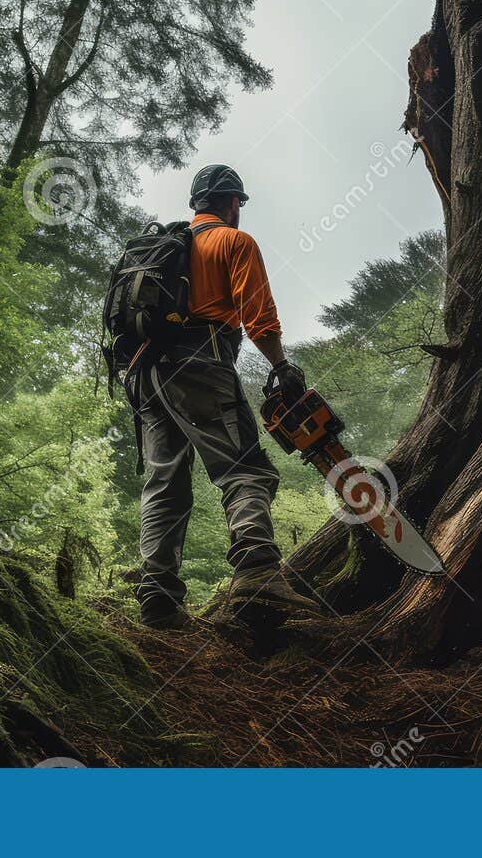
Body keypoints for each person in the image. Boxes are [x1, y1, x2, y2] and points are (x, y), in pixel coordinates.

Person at [132, 163, 320, 630]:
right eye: (239, 204)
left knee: (165, 483)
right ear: (232, 202)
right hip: (202, 365)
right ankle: (257, 572)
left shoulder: (164, 249)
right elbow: (259, 315)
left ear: (197, 203)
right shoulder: (234, 242)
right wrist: (281, 366)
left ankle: (158, 598)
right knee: (244, 468)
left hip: (146, 373)